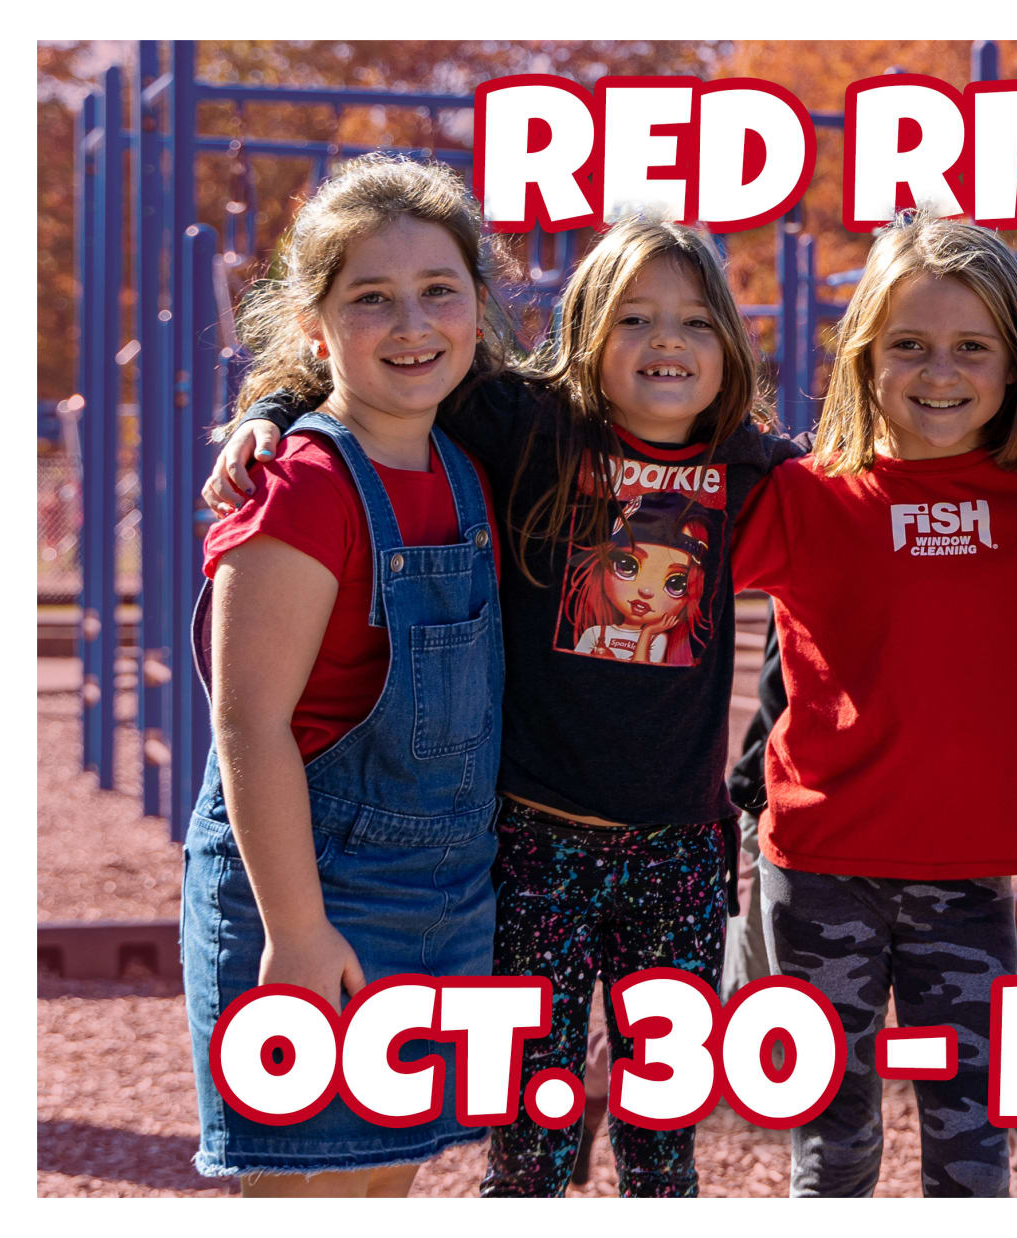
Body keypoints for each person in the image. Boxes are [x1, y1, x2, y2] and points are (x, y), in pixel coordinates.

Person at [206, 217, 798, 1197]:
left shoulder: (749, 468)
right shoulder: (524, 426)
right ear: (583, 333)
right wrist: (269, 406)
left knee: (664, 1138)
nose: (665, 341)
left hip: (680, 855)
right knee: (530, 1129)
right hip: (534, 848)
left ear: (727, 348)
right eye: (635, 317)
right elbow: (385, 372)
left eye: (695, 322)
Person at [729, 208, 1017, 1197]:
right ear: (863, 359)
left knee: (971, 1145)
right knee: (832, 1145)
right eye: (910, 347)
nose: (941, 371)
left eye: (970, 346)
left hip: (967, 877)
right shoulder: (805, 497)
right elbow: (643, 494)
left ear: (1015, 364)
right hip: (818, 868)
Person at [183, 155, 513, 1195]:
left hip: (443, 890)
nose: (411, 323)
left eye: (437, 292)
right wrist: (295, 928)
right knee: (305, 1186)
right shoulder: (302, 486)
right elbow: (247, 722)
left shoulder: (467, 460)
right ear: (317, 325)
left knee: (384, 1179)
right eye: (371, 298)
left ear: (476, 307)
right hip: (313, 884)